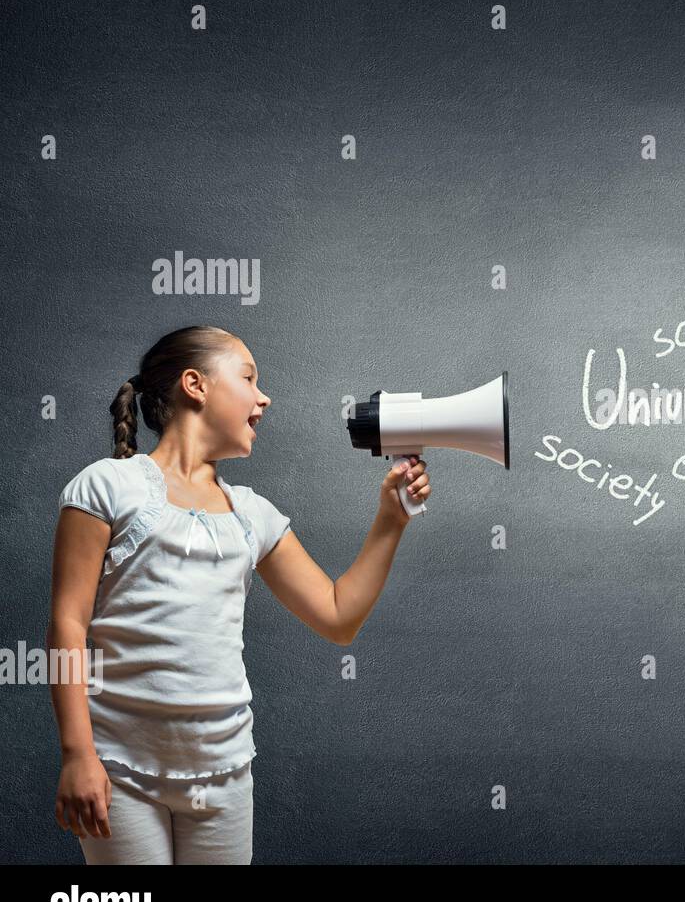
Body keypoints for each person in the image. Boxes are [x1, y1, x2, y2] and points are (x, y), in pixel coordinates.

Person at [48, 325, 429, 863]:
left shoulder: (253, 514)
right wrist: (77, 753)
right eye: (249, 378)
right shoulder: (106, 487)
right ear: (194, 385)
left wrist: (391, 520)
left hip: (224, 778)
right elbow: (67, 624)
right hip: (119, 773)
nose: (264, 396)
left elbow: (339, 615)